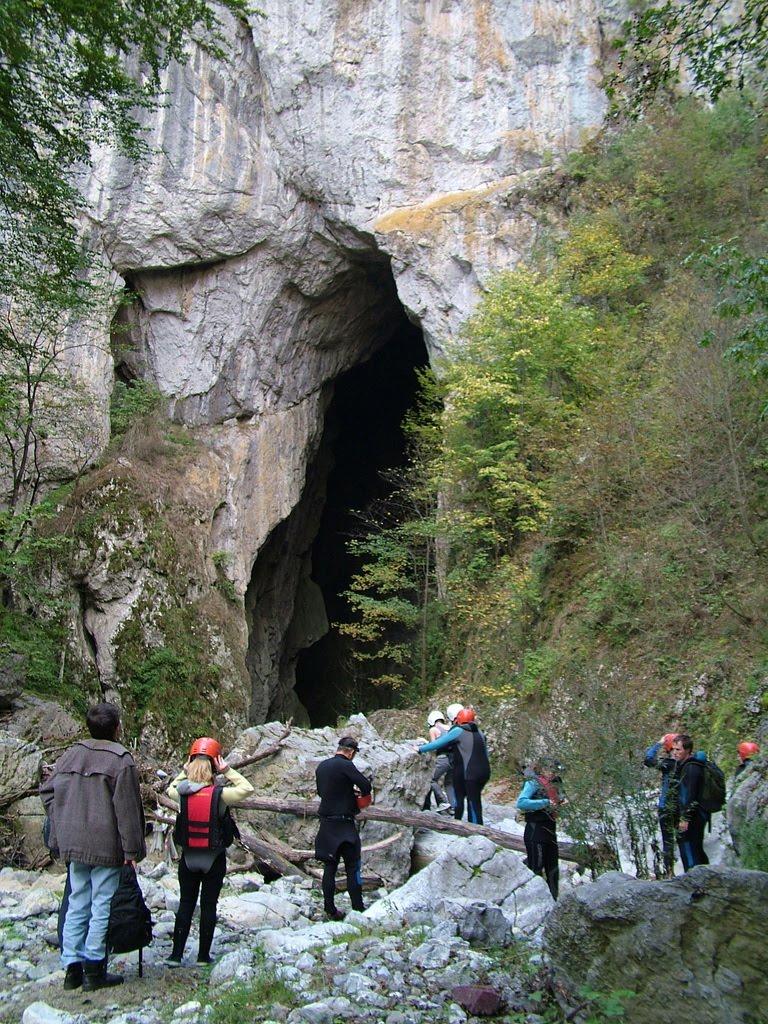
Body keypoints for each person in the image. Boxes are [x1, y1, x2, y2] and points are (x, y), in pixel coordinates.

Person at [40, 702, 146, 992]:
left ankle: (71, 968)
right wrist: (132, 851)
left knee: (76, 902)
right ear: (116, 728)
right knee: (100, 904)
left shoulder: (71, 754)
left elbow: (47, 791)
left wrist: (62, 818)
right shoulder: (121, 760)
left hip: (73, 841)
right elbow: (127, 811)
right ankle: (94, 970)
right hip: (106, 844)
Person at [166, 736, 253, 966]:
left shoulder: (180, 793)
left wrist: (185, 771)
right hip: (213, 858)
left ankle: (175, 955)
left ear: (190, 762)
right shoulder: (221, 795)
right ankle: (203, 956)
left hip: (189, 858)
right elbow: (247, 788)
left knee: (186, 903)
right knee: (208, 905)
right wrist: (227, 770)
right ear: (215, 766)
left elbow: (170, 788)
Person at [314, 736, 373, 921]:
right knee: (352, 866)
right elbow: (366, 785)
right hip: (345, 824)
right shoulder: (346, 765)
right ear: (352, 752)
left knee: (329, 867)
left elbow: (322, 792)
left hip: (326, 824)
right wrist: (357, 795)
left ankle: (330, 909)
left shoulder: (321, 766)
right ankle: (358, 908)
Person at [417, 707, 490, 824]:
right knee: (474, 799)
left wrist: (420, 748)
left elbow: (439, 743)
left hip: (470, 772)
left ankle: (466, 826)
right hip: (484, 772)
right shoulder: (480, 732)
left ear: (458, 719)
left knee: (463, 798)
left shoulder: (458, 731)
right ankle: (472, 825)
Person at [516, 758, 565, 900]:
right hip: (535, 830)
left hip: (550, 831)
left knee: (553, 870)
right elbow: (522, 803)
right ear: (542, 770)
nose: (554, 774)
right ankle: (535, 901)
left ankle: (554, 901)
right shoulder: (533, 782)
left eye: (556, 771)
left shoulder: (557, 782)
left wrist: (561, 801)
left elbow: (560, 796)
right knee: (536, 868)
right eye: (551, 771)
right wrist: (545, 803)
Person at [670, 733, 709, 871]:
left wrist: (685, 818)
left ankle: (694, 880)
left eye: (678, 750)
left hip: (693, 817)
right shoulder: (685, 766)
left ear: (687, 750)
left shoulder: (691, 768)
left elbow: (690, 795)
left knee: (690, 849)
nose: (674, 753)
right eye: (673, 749)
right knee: (695, 849)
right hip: (693, 815)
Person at [643, 732, 678, 877]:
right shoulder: (686, 763)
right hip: (681, 807)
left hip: (666, 807)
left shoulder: (668, 765)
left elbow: (648, 759)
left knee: (668, 840)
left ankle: (669, 871)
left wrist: (658, 743)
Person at [420, 710, 453, 814]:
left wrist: (425, 743)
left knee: (431, 780)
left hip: (442, 758)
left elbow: (434, 746)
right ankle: (453, 808)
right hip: (454, 759)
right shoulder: (450, 728)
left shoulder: (434, 729)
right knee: (449, 783)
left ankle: (443, 802)